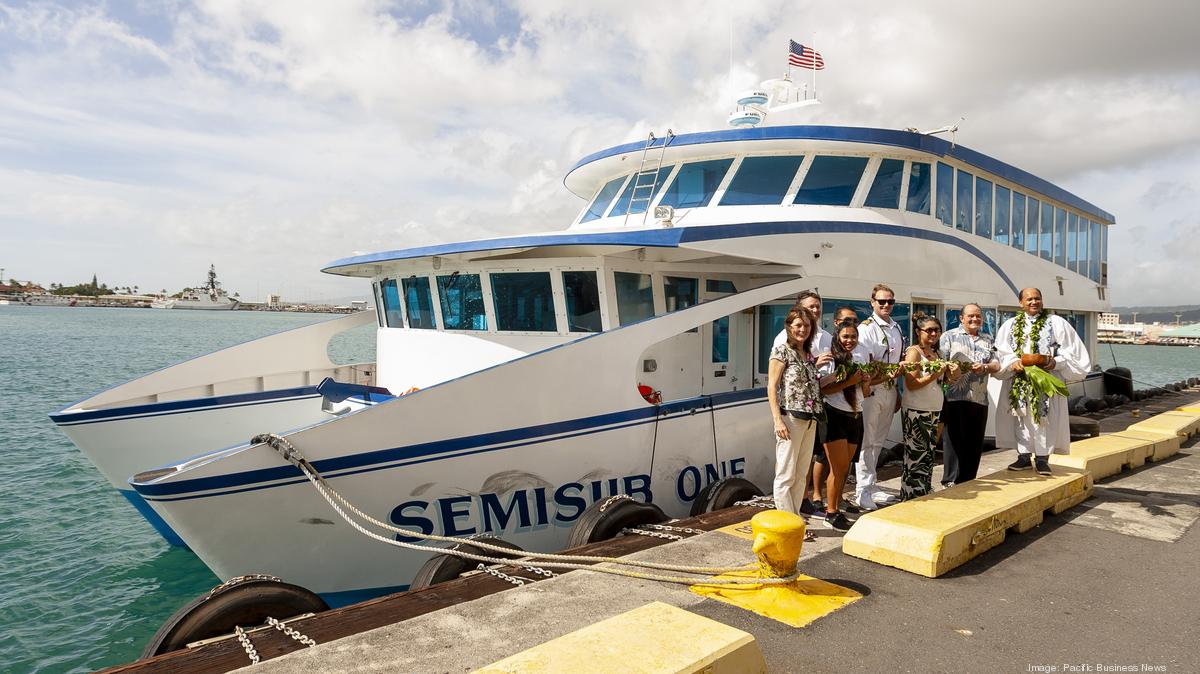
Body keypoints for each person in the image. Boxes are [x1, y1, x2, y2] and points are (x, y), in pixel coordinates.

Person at [994, 288, 1091, 475]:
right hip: (1020, 381)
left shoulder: (1056, 323)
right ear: (1021, 303)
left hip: (1047, 380)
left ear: (1042, 301)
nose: (1033, 302)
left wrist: (1055, 362)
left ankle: (1042, 459)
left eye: (1037, 298)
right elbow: (1002, 351)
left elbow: (1070, 350)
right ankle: (1023, 456)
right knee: (1021, 416)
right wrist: (1013, 362)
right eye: (1029, 299)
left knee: (1045, 418)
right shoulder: (1010, 325)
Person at [767, 307, 833, 515]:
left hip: (810, 418)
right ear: (789, 327)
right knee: (786, 473)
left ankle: (796, 519)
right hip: (791, 418)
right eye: (798, 325)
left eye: (806, 325)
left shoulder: (807, 354)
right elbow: (772, 386)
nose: (802, 329)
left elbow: (812, 385)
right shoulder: (781, 351)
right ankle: (786, 521)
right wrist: (777, 420)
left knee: (801, 472)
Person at [855, 283, 906, 510]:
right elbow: (864, 364)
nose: (886, 305)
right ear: (872, 303)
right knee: (867, 441)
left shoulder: (895, 328)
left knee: (879, 440)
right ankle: (862, 491)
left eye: (890, 301)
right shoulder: (866, 328)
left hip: (890, 388)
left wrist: (896, 391)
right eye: (882, 301)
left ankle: (872, 485)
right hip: (872, 390)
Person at [939, 303, 1001, 487]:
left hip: (979, 398)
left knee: (974, 442)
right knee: (953, 440)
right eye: (970, 316)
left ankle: (968, 480)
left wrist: (985, 367)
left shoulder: (988, 339)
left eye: (978, 316)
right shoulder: (949, 336)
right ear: (961, 318)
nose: (975, 319)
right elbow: (941, 364)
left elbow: (996, 366)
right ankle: (950, 480)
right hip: (955, 397)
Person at [816, 322, 870, 531]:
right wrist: (849, 382)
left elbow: (864, 393)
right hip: (834, 415)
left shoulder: (858, 358)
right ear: (837, 337)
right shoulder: (831, 359)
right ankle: (830, 513)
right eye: (845, 336)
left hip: (855, 415)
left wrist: (864, 381)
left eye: (853, 337)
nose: (849, 340)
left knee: (844, 468)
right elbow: (825, 390)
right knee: (837, 469)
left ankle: (836, 506)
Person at [900, 313, 958, 500]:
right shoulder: (913, 352)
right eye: (929, 330)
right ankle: (910, 496)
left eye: (937, 330)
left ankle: (924, 492)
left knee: (928, 455)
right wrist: (935, 373)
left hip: (934, 409)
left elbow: (944, 382)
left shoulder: (937, 353)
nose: (934, 333)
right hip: (916, 410)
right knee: (915, 455)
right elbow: (912, 383)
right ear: (918, 332)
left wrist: (953, 374)